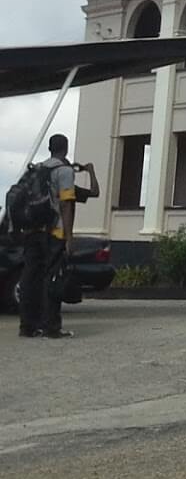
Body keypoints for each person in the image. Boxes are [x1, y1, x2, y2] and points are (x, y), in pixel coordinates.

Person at [18, 134, 99, 340]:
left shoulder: (37, 170)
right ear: (66, 148)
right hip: (53, 232)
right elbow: (66, 203)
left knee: (30, 278)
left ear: (49, 148)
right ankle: (51, 328)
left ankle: (27, 327)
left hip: (32, 231)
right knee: (52, 278)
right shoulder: (64, 171)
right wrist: (69, 237)